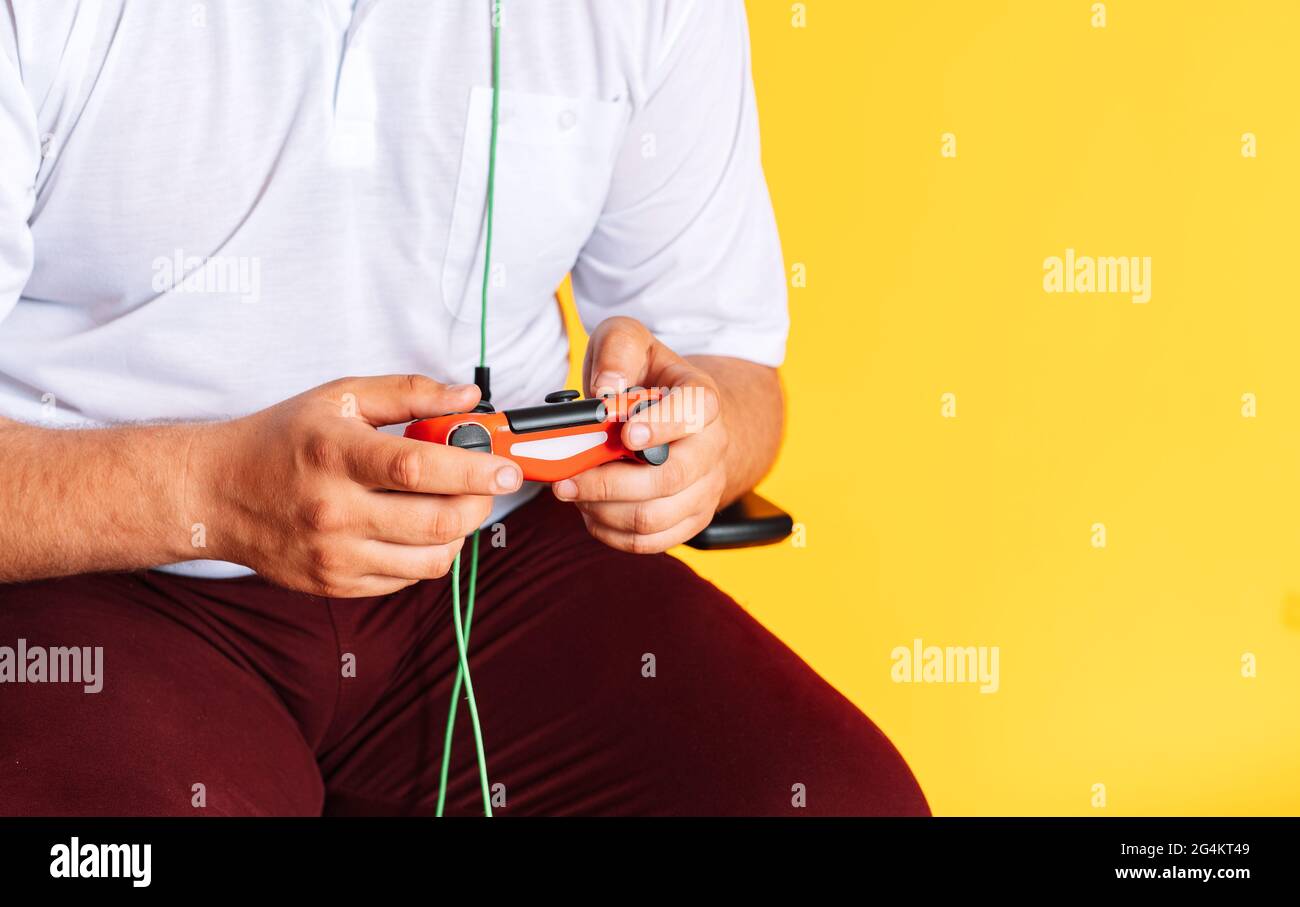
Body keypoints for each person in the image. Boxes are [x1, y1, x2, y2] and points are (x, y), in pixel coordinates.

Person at [0, 0, 927, 816]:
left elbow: (737, 368)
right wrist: (215, 491)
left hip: (500, 561)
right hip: (103, 570)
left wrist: (701, 444)